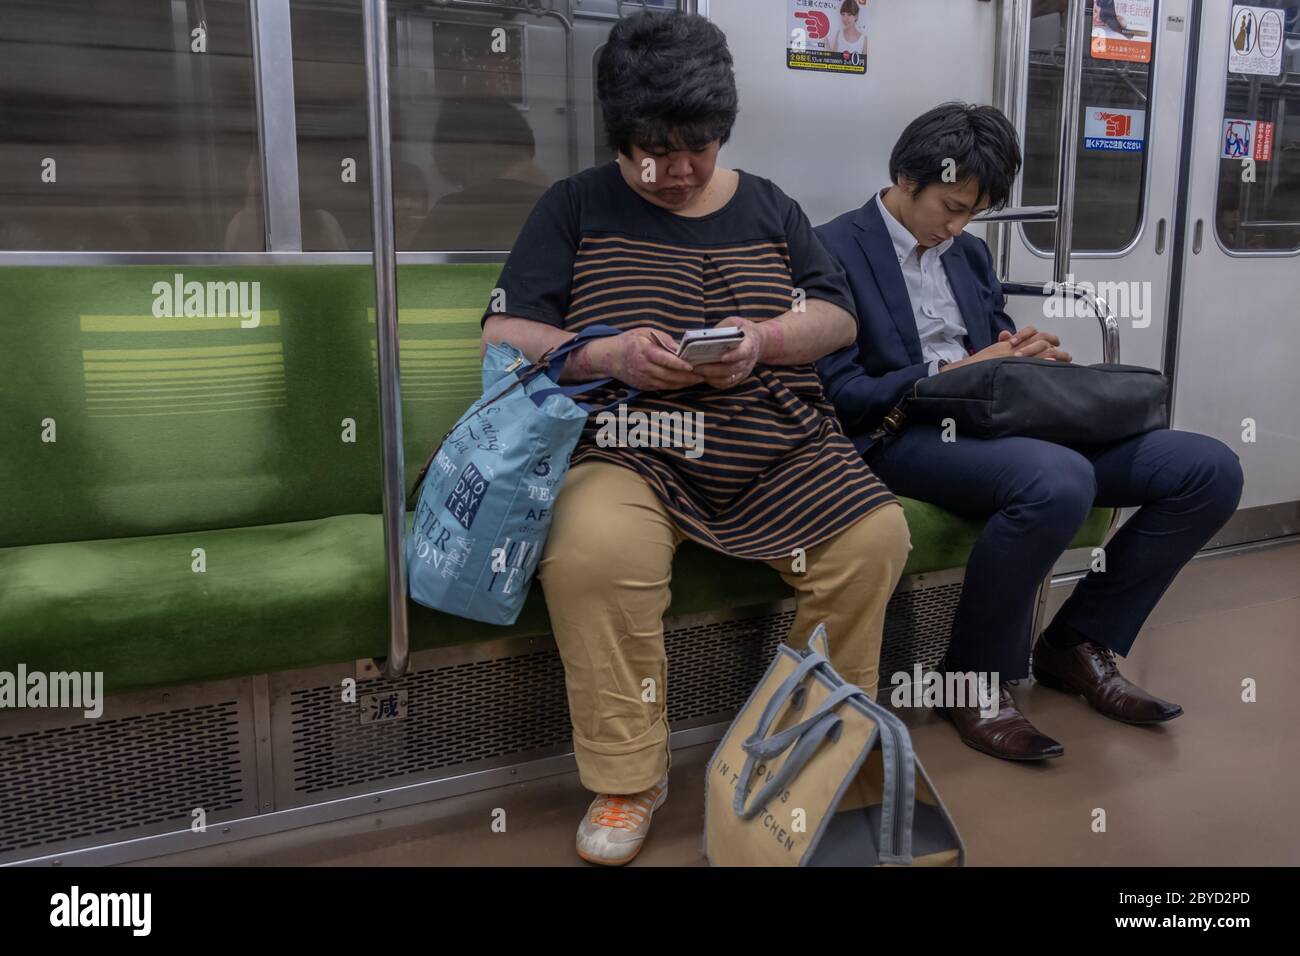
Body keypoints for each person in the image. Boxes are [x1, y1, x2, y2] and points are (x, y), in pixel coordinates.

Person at [480, 11, 910, 864]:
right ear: (620, 137)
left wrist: (760, 341)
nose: (677, 169)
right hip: (631, 444)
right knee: (593, 551)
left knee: (873, 537)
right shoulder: (571, 206)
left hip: (771, 439)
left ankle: (802, 745)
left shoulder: (769, 206)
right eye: (655, 150)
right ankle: (628, 774)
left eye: (699, 148)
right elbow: (501, 336)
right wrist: (605, 354)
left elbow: (833, 317)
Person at [815, 102, 1244, 762]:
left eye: (972, 213)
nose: (958, 226)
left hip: (1000, 421)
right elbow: (841, 395)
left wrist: (1024, 353)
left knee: (1205, 468)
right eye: (950, 207)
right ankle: (972, 678)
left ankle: (1074, 644)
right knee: (1058, 478)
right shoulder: (830, 250)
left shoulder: (969, 254)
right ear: (905, 176)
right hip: (904, 434)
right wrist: (955, 373)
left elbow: (991, 350)